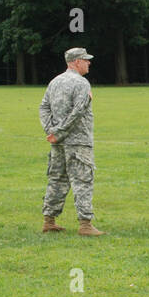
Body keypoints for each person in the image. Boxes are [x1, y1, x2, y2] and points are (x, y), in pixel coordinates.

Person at [40, 48, 103, 236]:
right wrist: (58, 132)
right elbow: (78, 111)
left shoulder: (54, 81)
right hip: (78, 141)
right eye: (86, 60)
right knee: (83, 180)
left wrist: (51, 130)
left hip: (57, 141)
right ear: (76, 62)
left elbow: (43, 107)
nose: (89, 63)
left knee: (56, 179)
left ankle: (49, 221)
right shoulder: (81, 83)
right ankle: (85, 225)